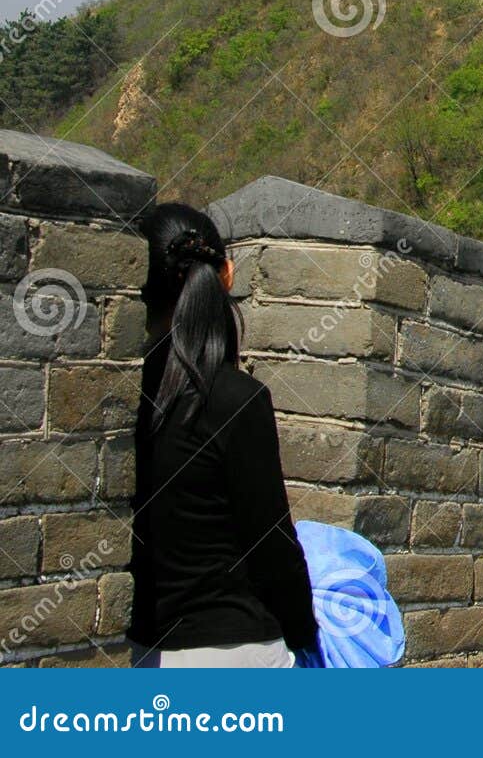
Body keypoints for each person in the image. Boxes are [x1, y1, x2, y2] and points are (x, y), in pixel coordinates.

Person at [130, 204, 318, 668]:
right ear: (227, 275)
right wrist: (306, 633)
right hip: (237, 652)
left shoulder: (122, 396)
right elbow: (271, 544)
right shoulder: (238, 399)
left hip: (140, 653)